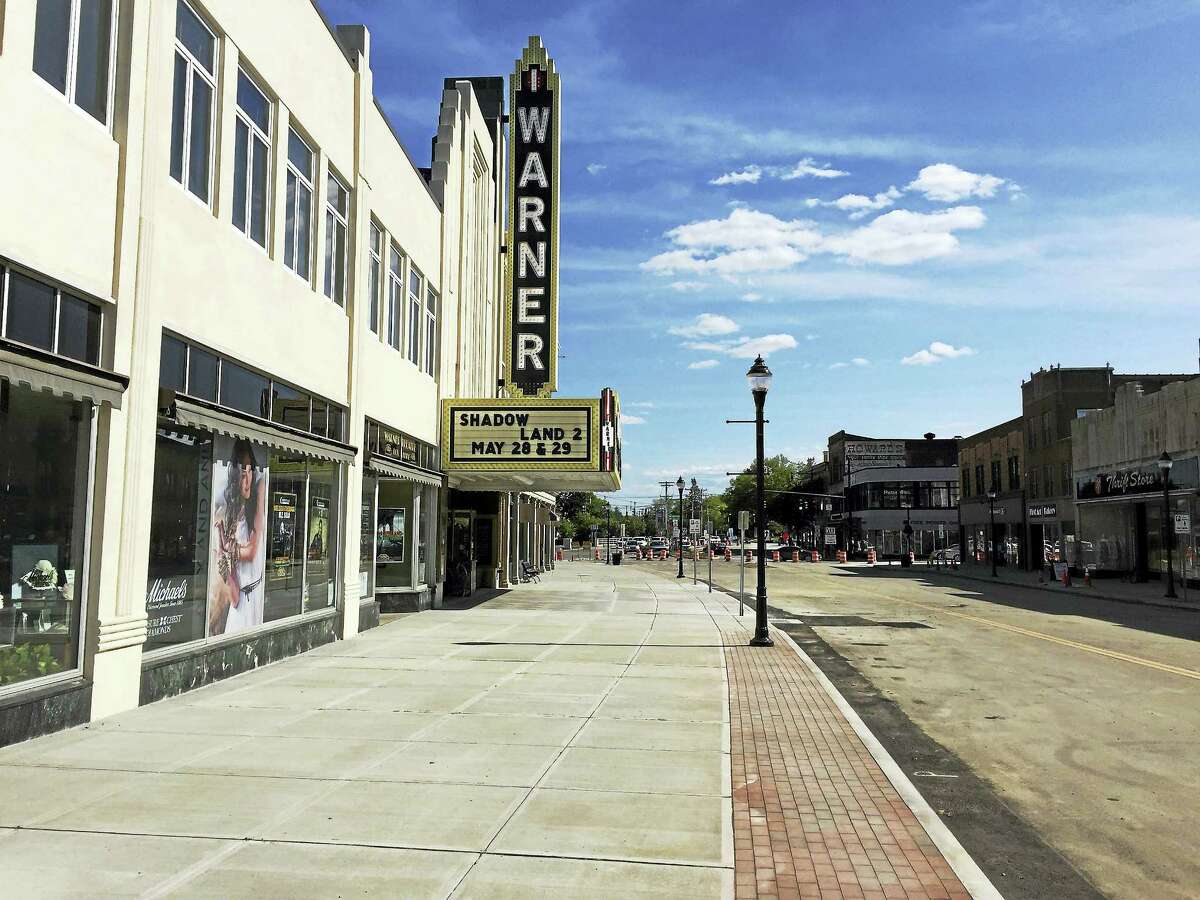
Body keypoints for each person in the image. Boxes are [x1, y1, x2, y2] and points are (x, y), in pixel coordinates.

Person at [210, 439, 266, 634]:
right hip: (241, 603)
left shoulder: (259, 492)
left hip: (255, 596)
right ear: (235, 478)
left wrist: (228, 550)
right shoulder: (233, 513)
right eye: (243, 473)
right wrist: (221, 539)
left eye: (250, 471)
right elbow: (230, 569)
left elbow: (251, 552)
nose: (248, 479)